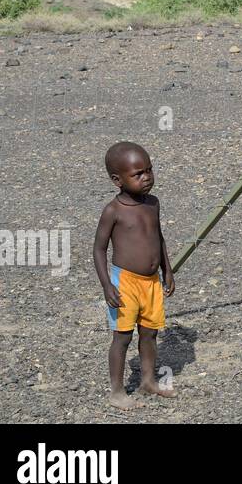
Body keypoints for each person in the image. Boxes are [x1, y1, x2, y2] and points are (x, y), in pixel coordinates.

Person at [93, 141, 176, 409]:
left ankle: (148, 380)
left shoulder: (153, 203)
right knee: (123, 336)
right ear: (117, 179)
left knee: (150, 333)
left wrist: (167, 269)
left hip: (151, 282)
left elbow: (159, 237)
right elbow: (98, 249)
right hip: (125, 282)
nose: (147, 177)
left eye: (149, 170)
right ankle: (116, 391)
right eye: (137, 174)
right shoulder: (113, 211)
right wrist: (107, 285)